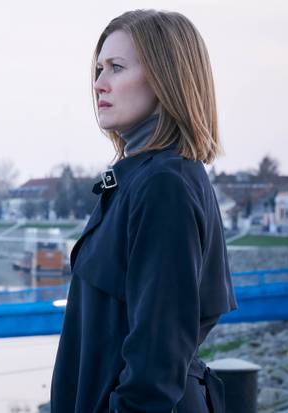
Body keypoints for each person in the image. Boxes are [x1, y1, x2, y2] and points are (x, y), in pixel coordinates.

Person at [49, 9, 238, 413]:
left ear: (166, 77)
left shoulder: (163, 184)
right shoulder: (140, 178)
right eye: (98, 69)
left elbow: (157, 358)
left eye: (116, 67)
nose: (99, 84)